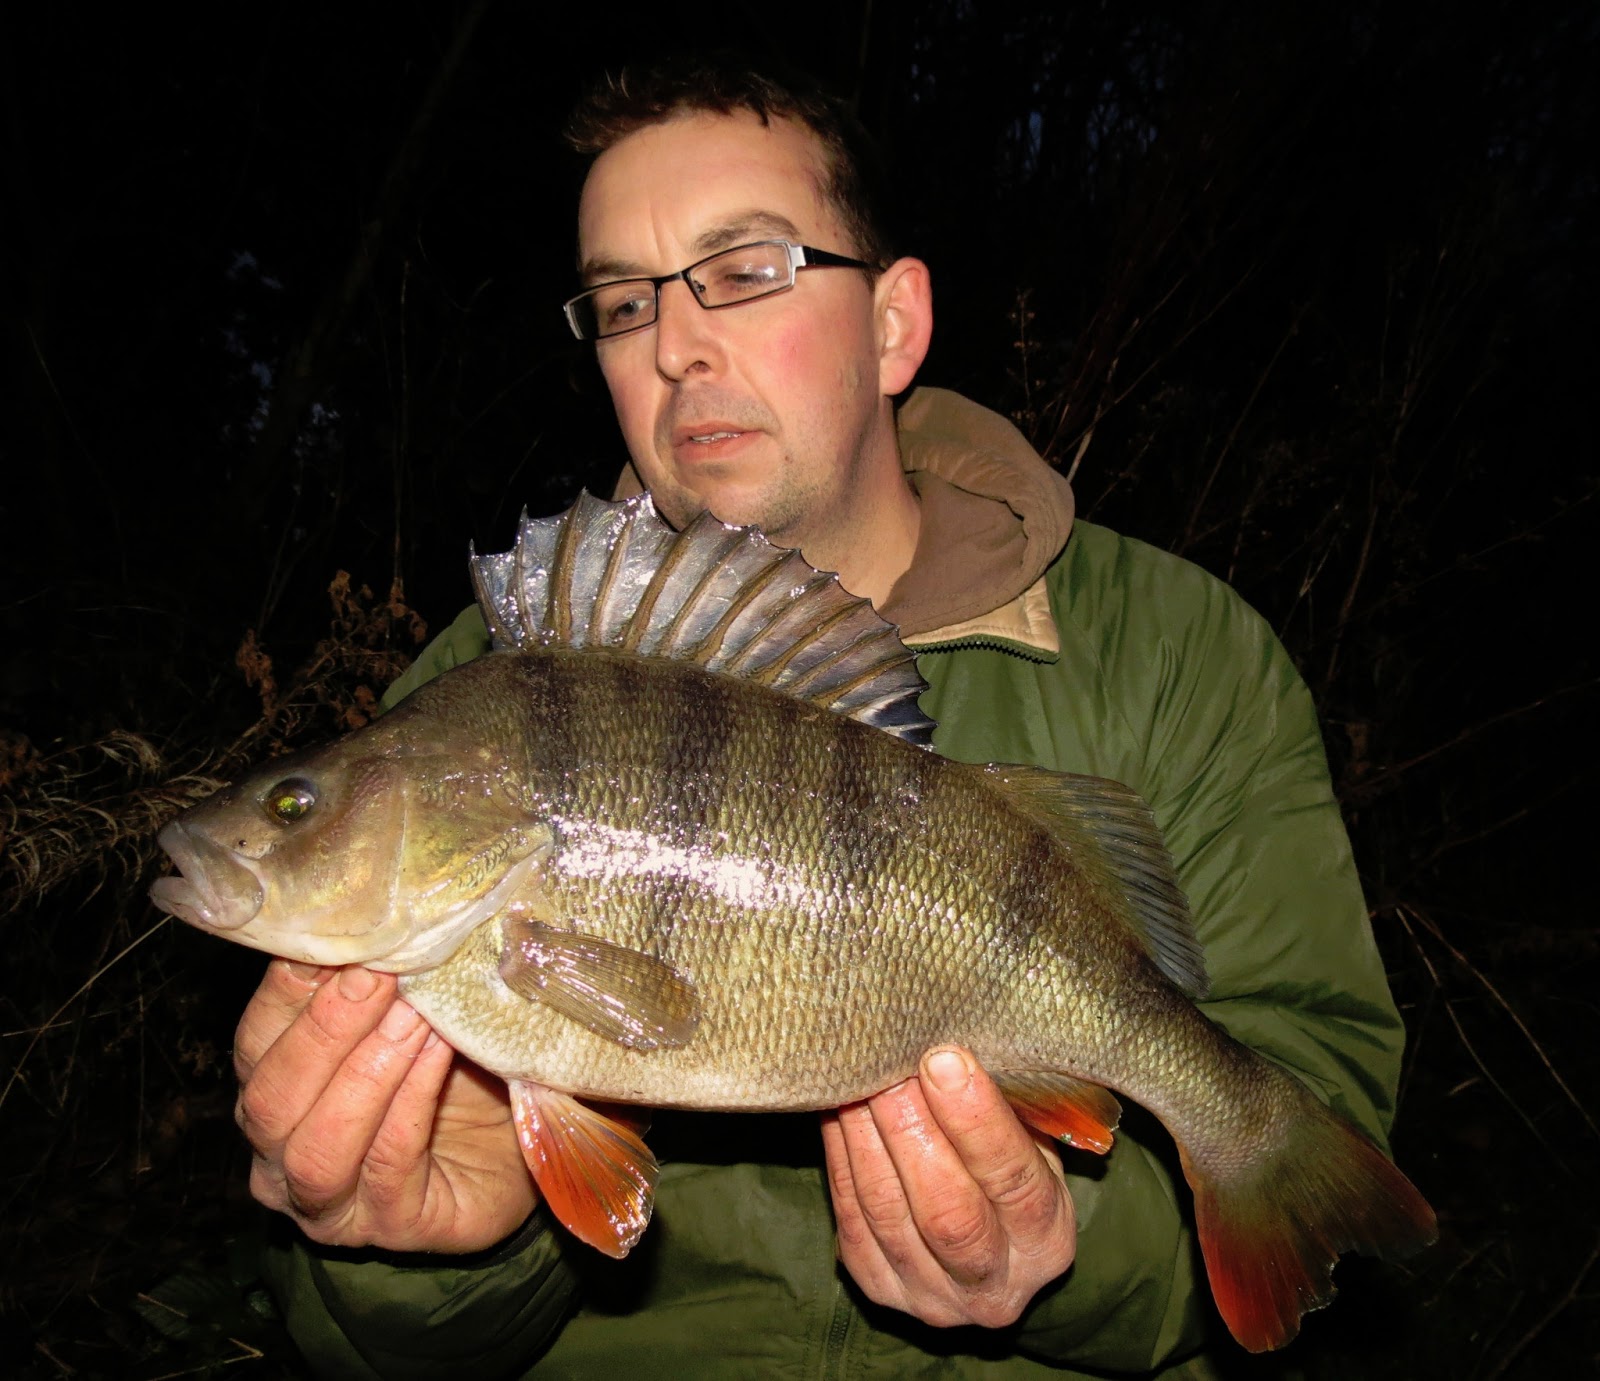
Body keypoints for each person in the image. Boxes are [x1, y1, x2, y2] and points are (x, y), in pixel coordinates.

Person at [237, 56, 1409, 1378]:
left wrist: (1075, 1250)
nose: (675, 342)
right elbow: (368, 1345)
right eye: (624, 302)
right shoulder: (471, 696)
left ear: (896, 324)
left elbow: (1320, 1059)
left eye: (743, 271)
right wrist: (403, 1251)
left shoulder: (1184, 655)